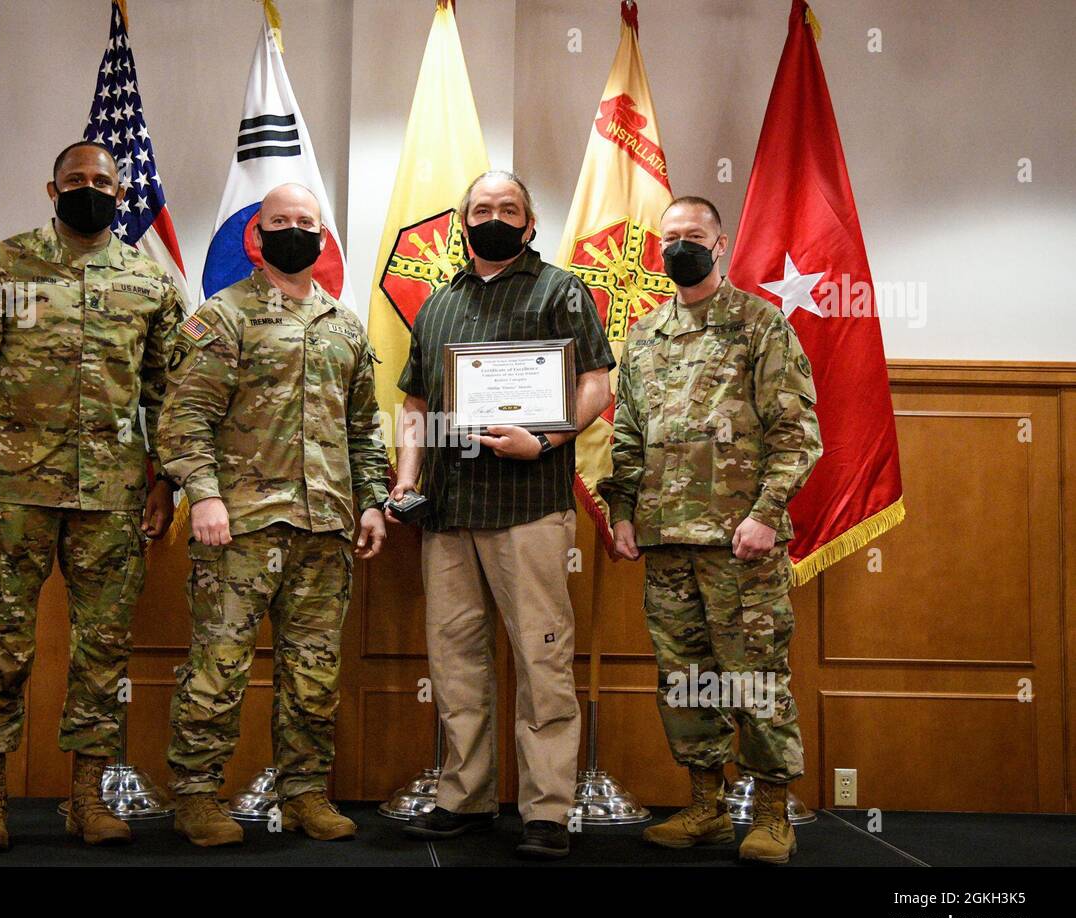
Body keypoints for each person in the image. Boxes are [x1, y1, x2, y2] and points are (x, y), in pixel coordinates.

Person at [0, 141, 183, 851]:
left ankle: (87, 800)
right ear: (51, 188)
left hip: (115, 493)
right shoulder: (0, 268)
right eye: (77, 180)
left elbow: (169, 394)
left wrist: (166, 480)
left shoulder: (149, 280)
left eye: (103, 181)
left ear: (121, 192)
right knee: (2, 645)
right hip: (10, 493)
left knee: (102, 649)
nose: (90, 189)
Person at [158, 183, 389, 847]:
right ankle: (198, 795)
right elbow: (184, 417)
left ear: (323, 237)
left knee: (314, 674)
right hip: (240, 526)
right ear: (257, 237)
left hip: (326, 529)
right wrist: (202, 494)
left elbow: (365, 429)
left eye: (306, 222)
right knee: (218, 668)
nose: (295, 231)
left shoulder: (344, 326)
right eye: (281, 221)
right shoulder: (222, 317)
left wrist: (370, 502)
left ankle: (304, 792)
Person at [392, 170, 615, 859]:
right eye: (481, 208)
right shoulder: (437, 304)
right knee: (455, 660)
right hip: (449, 509)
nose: (494, 216)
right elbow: (414, 407)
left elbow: (598, 383)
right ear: (464, 222)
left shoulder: (562, 290)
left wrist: (543, 439)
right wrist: (404, 482)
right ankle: (466, 794)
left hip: (527, 506)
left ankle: (547, 808)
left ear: (530, 222)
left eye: (507, 208)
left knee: (541, 658)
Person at [599, 195, 822, 864]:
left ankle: (774, 814)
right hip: (666, 540)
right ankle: (705, 806)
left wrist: (765, 513)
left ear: (719, 244)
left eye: (692, 236)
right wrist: (620, 511)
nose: (679, 247)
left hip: (739, 541)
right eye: (669, 238)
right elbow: (629, 435)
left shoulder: (760, 325)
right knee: (685, 677)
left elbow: (797, 433)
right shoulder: (645, 335)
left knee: (753, 675)